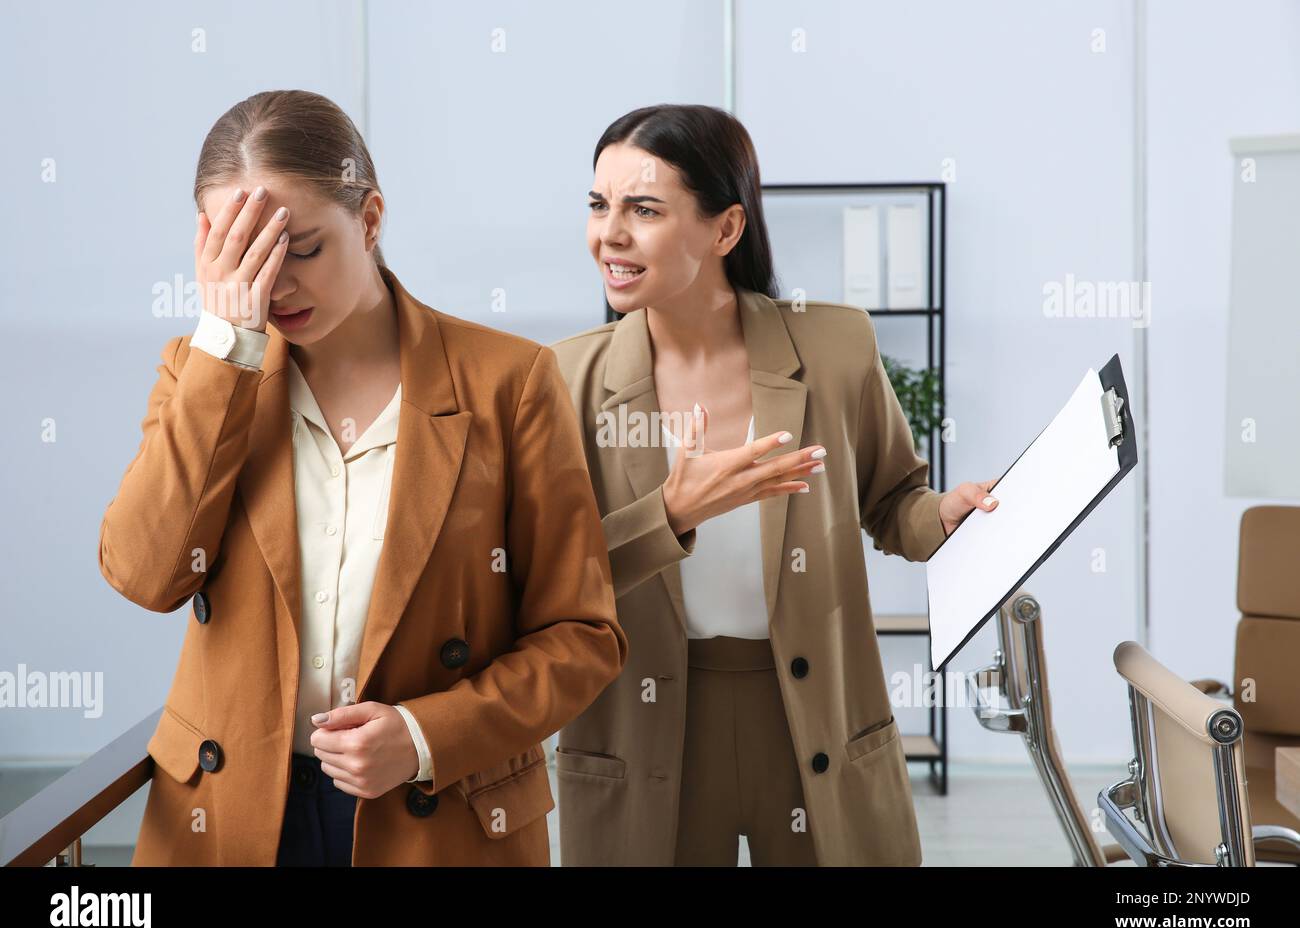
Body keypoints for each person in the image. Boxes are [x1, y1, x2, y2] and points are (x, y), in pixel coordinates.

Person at [99, 89, 626, 866]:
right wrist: (227, 349)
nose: (270, 286)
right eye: (241, 257)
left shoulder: (509, 381)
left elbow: (581, 636)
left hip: (432, 812)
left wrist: (422, 737)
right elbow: (145, 575)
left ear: (371, 219)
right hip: (232, 811)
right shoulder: (199, 370)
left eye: (299, 248)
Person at [550, 104, 998, 866]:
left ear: (725, 230)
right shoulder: (566, 377)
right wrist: (671, 513)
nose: (610, 234)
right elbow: (548, 577)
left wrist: (944, 517)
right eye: (599, 205)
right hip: (651, 716)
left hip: (805, 710)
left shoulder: (833, 345)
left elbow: (894, 505)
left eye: (643, 209)